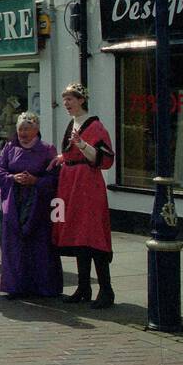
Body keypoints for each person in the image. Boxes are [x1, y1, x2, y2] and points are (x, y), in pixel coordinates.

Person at [52, 83, 116, 308]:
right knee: (79, 234)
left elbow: (105, 159)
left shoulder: (96, 126)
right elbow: (76, 151)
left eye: (70, 99)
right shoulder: (73, 123)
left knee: (92, 234)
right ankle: (84, 286)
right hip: (72, 183)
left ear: (81, 100)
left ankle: (106, 290)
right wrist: (63, 156)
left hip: (87, 184)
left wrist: (82, 145)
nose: (66, 104)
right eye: (65, 99)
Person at [0, 112, 61, 299]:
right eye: (20, 129)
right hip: (14, 202)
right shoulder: (9, 148)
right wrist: (13, 178)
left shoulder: (47, 150)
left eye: (27, 129)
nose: (23, 133)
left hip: (38, 203)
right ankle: (15, 287)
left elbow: (55, 177)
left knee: (39, 244)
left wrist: (35, 181)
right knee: (14, 245)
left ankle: (42, 287)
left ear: (36, 130)